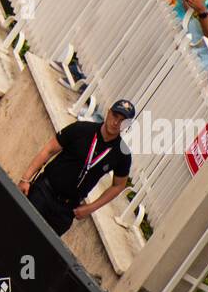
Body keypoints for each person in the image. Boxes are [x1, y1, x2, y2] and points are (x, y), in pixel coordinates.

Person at [18, 100, 136, 236]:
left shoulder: (122, 154)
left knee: (37, 250)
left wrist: (90, 208)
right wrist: (25, 178)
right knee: (17, 230)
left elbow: (119, 185)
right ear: (108, 112)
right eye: (115, 116)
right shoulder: (81, 129)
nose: (116, 123)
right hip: (44, 191)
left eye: (122, 121)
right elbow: (49, 150)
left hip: (66, 210)